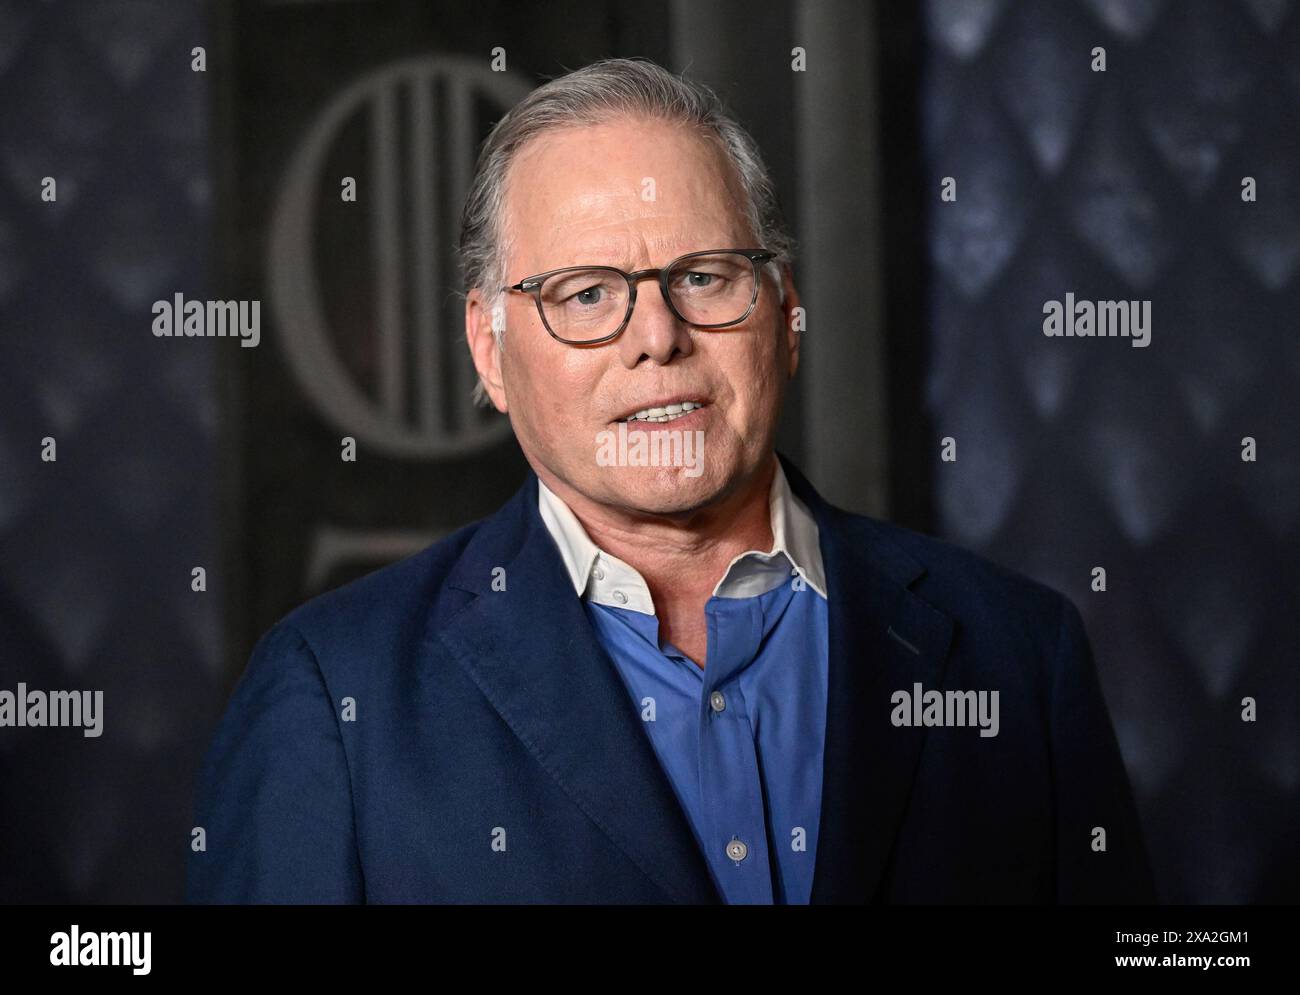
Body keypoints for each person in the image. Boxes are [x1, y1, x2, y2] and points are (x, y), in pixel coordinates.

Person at [187, 57, 1155, 904]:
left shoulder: (1016, 655)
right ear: (489, 348)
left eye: (703, 276)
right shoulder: (335, 691)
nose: (657, 337)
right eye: (587, 294)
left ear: (785, 309)